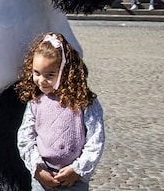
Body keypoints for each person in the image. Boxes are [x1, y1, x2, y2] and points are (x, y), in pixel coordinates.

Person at [15, 32, 105, 191]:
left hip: (73, 179)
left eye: (50, 75)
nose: (41, 80)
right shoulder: (36, 102)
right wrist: (38, 169)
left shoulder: (83, 102)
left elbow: (96, 138)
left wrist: (77, 169)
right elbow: (25, 137)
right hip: (43, 179)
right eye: (37, 73)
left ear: (66, 71)